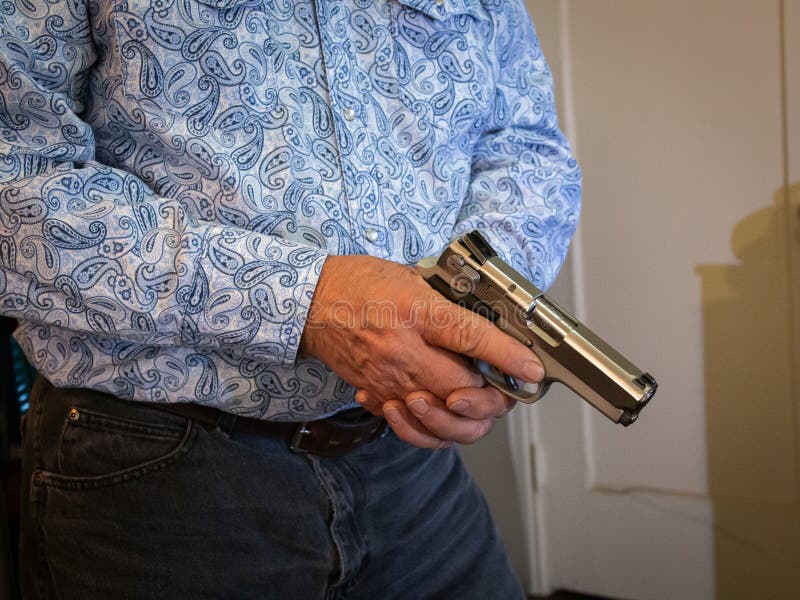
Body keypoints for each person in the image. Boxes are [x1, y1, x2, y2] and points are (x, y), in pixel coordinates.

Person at [0, 0, 580, 597]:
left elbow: (526, 144)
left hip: (410, 469)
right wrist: (309, 303)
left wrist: (472, 315)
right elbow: (15, 187)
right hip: (159, 476)